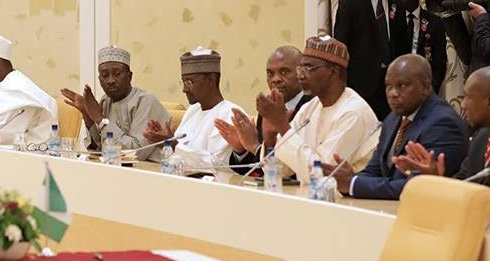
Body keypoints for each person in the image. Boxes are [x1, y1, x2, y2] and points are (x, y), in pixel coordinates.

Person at [323, 55, 467, 200]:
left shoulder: (443, 123)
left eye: (402, 85)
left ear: (426, 87)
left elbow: (420, 187)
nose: (393, 94)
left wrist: (353, 183)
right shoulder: (393, 118)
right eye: (388, 86)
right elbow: (375, 170)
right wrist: (350, 180)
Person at [264, 35, 379, 180]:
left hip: (349, 200)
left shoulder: (353, 112)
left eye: (309, 67)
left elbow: (322, 175)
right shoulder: (309, 108)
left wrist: (282, 126)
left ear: (334, 72)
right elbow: (281, 170)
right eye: (301, 68)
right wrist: (270, 137)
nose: (301, 75)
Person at [333, 0, 412, 120]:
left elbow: (404, 48)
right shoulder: (350, 1)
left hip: (392, 86)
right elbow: (340, 46)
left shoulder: (397, 4)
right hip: (361, 86)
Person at [142, 47, 247, 172]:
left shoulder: (231, 114)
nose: (184, 89)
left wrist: (173, 145)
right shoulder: (193, 110)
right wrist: (164, 142)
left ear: (211, 80)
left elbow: (220, 166)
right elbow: (177, 159)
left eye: (189, 82)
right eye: (183, 82)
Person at [214, 46, 313, 175]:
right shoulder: (267, 110)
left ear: (301, 74)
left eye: (284, 72)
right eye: (270, 73)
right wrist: (241, 150)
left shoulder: (310, 108)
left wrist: (255, 147)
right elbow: (255, 171)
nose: (275, 79)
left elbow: (298, 167)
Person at [61, 45, 169, 162]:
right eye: (105, 75)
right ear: (99, 79)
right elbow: (99, 150)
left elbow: (136, 154)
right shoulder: (105, 101)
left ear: (129, 76)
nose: (111, 81)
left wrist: (100, 119)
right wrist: (88, 115)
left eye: (117, 74)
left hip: (151, 171)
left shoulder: (146, 101)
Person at [395, 67, 490, 185]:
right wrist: (435, 179)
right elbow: (461, 185)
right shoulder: (481, 138)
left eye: (468, 97)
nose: (463, 105)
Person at [392, 0, 447, 92]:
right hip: (396, 86)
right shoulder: (391, 20)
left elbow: (440, 62)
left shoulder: (435, 22)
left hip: (423, 87)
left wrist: (430, 90)